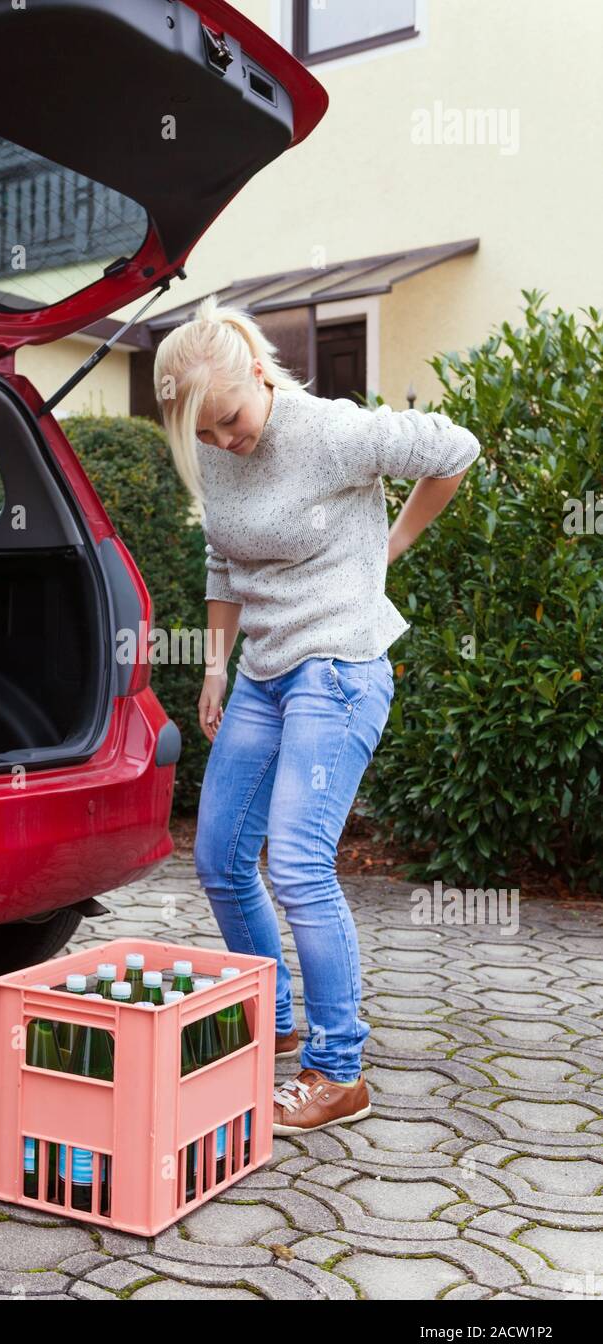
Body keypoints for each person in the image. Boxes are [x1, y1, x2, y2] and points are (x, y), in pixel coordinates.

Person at [153, 294, 481, 1135]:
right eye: (206, 436)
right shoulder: (218, 451)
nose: (225, 443)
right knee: (222, 856)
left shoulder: (330, 430)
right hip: (263, 672)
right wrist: (216, 668)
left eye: (230, 421)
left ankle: (337, 1071)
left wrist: (392, 547)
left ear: (259, 376)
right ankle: (276, 1015)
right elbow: (223, 558)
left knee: (298, 865)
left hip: (337, 668)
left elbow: (456, 448)